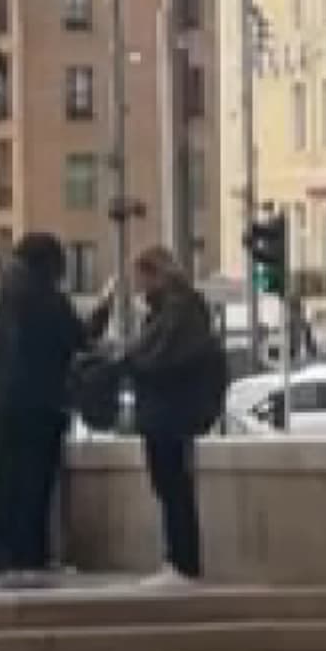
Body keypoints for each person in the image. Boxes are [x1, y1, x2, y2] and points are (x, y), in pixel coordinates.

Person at [0, 233, 86, 579]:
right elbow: (77, 340)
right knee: (37, 483)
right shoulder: (51, 300)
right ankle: (33, 555)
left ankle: (13, 555)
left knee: (10, 480)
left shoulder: (7, 299)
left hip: (4, 405)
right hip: (43, 405)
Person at [102, 246, 228, 584]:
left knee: (173, 485)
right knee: (170, 485)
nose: (137, 285)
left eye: (140, 276)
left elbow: (157, 358)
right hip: (168, 410)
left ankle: (183, 562)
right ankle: (180, 561)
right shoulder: (176, 310)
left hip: (169, 411)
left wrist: (127, 362)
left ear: (153, 274)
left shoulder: (177, 313)